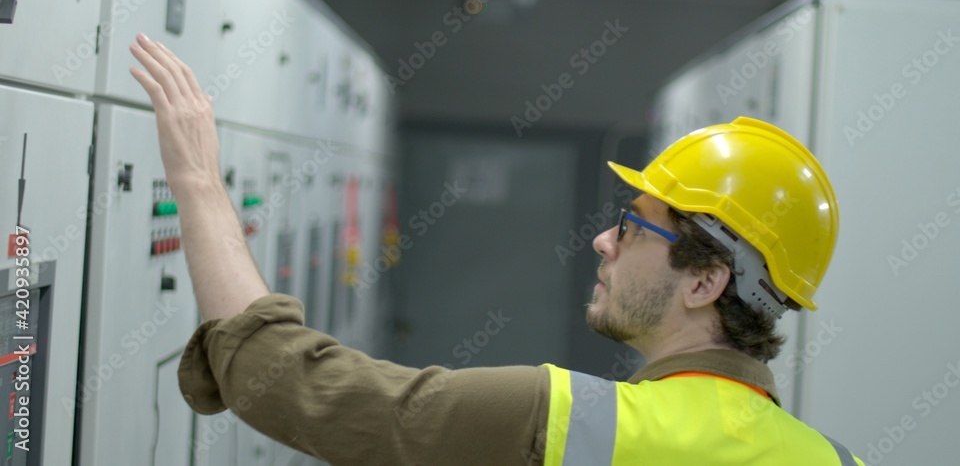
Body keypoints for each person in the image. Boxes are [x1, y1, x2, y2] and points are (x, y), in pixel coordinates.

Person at [127, 32, 864, 465]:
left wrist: (197, 180)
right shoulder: (835, 459)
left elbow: (290, 384)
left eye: (636, 225)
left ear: (705, 281)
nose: (604, 240)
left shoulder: (580, 421)